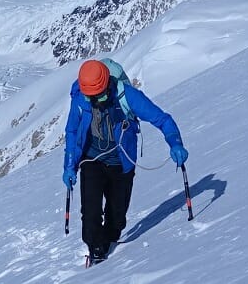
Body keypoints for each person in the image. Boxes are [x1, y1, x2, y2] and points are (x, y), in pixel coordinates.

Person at [62, 57, 186, 265]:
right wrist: (70, 166)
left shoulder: (127, 95)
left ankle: (110, 237)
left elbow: (162, 119)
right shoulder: (80, 99)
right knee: (90, 211)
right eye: (90, 97)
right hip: (91, 159)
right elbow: (72, 131)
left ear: (107, 85)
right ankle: (96, 248)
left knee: (116, 215)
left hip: (121, 160)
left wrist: (175, 142)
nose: (94, 101)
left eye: (98, 96)